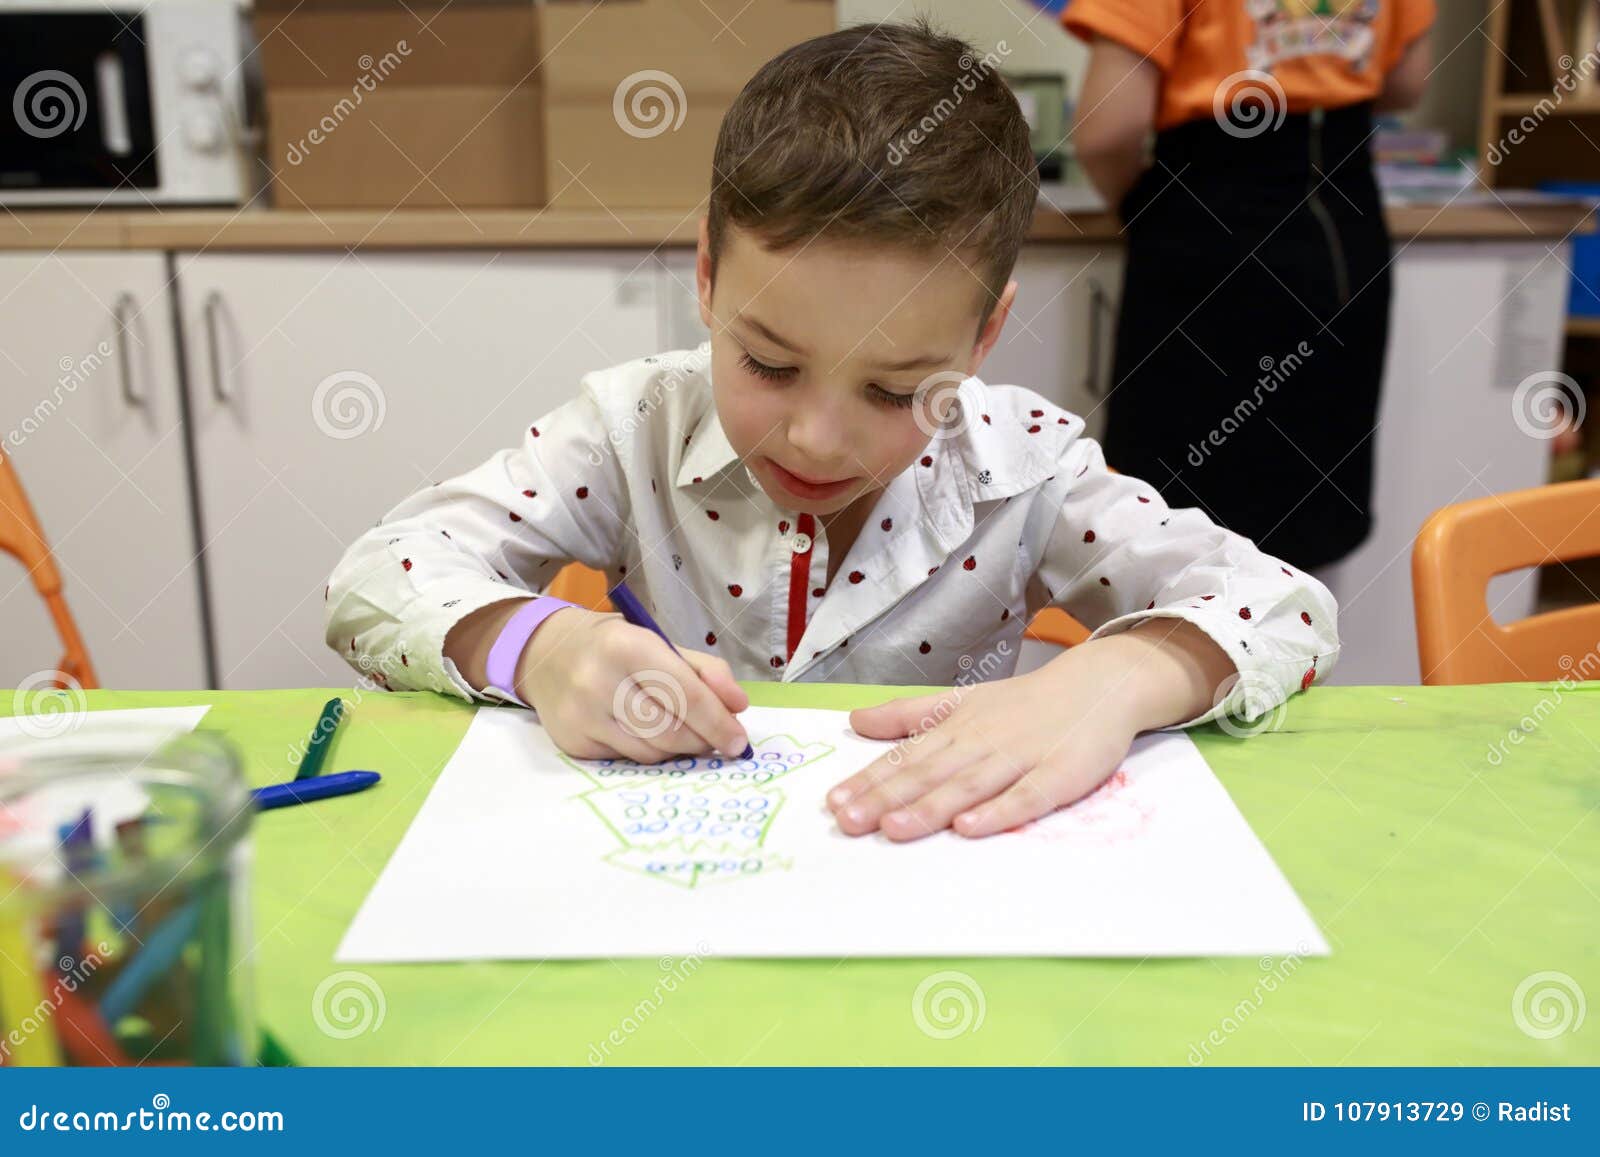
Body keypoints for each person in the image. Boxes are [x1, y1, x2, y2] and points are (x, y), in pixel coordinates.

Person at [324, 19, 1337, 843]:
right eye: (769, 364)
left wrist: (1113, 678)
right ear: (708, 278)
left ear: (984, 332)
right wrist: (538, 647)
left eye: (897, 389)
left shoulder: (1023, 465)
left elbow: (1287, 607)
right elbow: (378, 572)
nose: (815, 438)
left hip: (930, 898)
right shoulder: (633, 424)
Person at [1065, 0, 1435, 570]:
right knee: (1304, 519)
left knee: (1171, 529)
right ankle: (1291, 657)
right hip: (1343, 223)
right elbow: (1408, 84)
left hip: (1209, 218)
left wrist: (1143, 210)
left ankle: (1177, 659)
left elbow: (1106, 131)